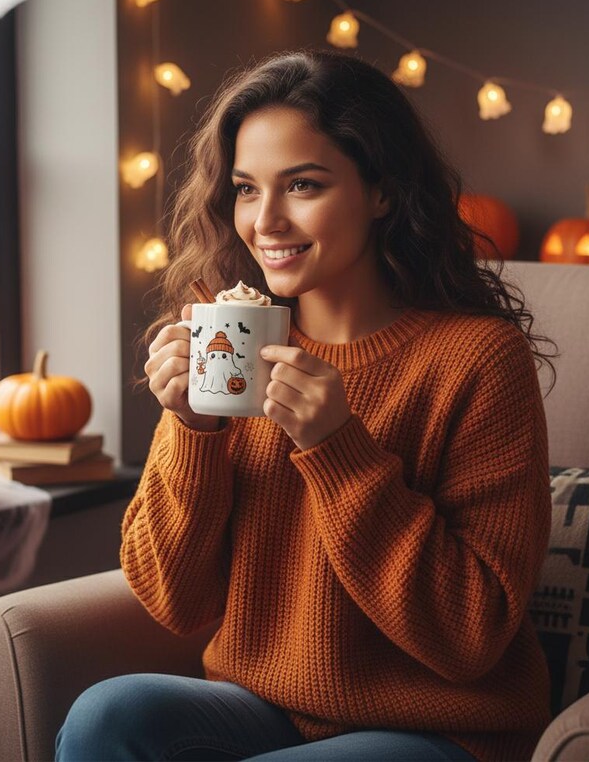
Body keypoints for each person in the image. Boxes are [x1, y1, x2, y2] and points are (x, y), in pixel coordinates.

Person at [56, 49, 559, 762]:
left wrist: (338, 448)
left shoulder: (477, 360)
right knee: (107, 716)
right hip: (267, 709)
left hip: (441, 731)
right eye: (246, 189)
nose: (267, 222)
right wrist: (192, 427)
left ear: (381, 191)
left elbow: (471, 635)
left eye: (303, 185)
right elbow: (174, 600)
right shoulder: (231, 342)